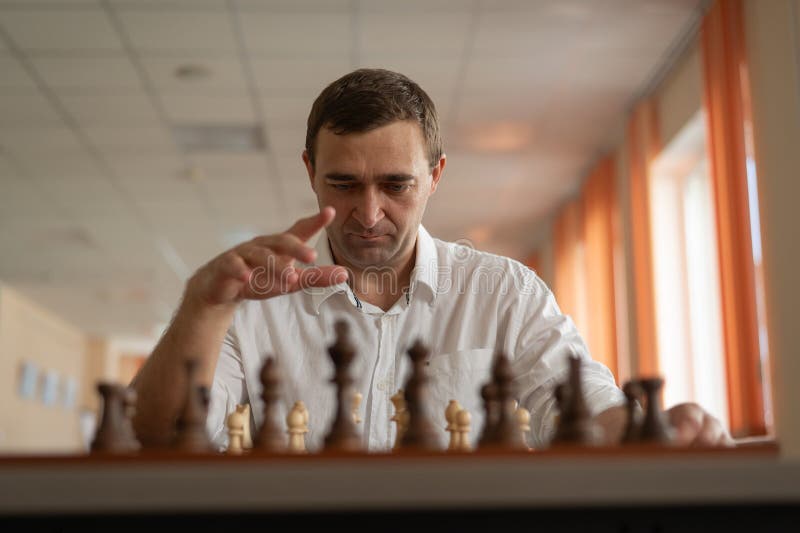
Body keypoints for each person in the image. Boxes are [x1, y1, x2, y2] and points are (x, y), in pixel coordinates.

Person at [131, 68, 733, 451]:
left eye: (396, 185)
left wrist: (649, 429)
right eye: (343, 184)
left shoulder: (506, 295)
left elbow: (578, 410)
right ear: (310, 172)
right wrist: (202, 306)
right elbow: (156, 435)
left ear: (435, 175)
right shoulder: (253, 300)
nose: (368, 213)